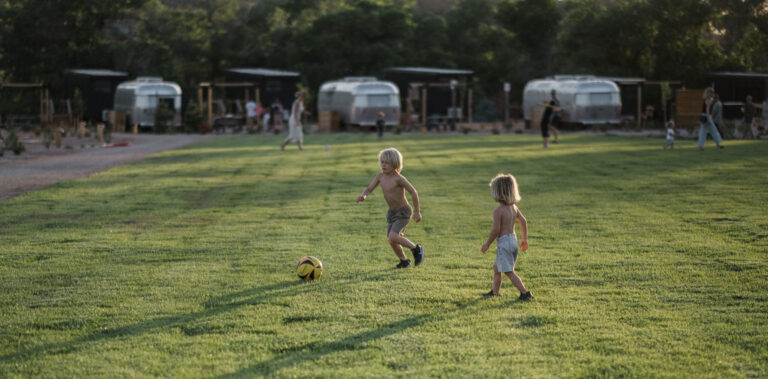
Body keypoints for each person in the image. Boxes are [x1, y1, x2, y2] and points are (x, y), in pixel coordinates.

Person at [356, 148, 425, 269]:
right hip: (392, 213)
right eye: (381, 162)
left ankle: (417, 249)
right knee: (392, 240)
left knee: (393, 236)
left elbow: (413, 192)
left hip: (404, 211)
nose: (383, 165)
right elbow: (369, 189)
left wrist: (417, 212)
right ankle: (404, 261)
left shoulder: (399, 178)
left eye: (386, 162)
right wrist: (363, 195)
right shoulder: (380, 177)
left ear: (395, 163)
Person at [481, 174, 531, 299]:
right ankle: (495, 292)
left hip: (504, 243)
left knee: (509, 271)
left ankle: (525, 293)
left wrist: (487, 244)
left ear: (498, 193)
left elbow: (496, 230)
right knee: (497, 268)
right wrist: (524, 239)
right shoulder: (514, 207)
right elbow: (523, 221)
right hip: (513, 241)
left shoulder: (498, 211)